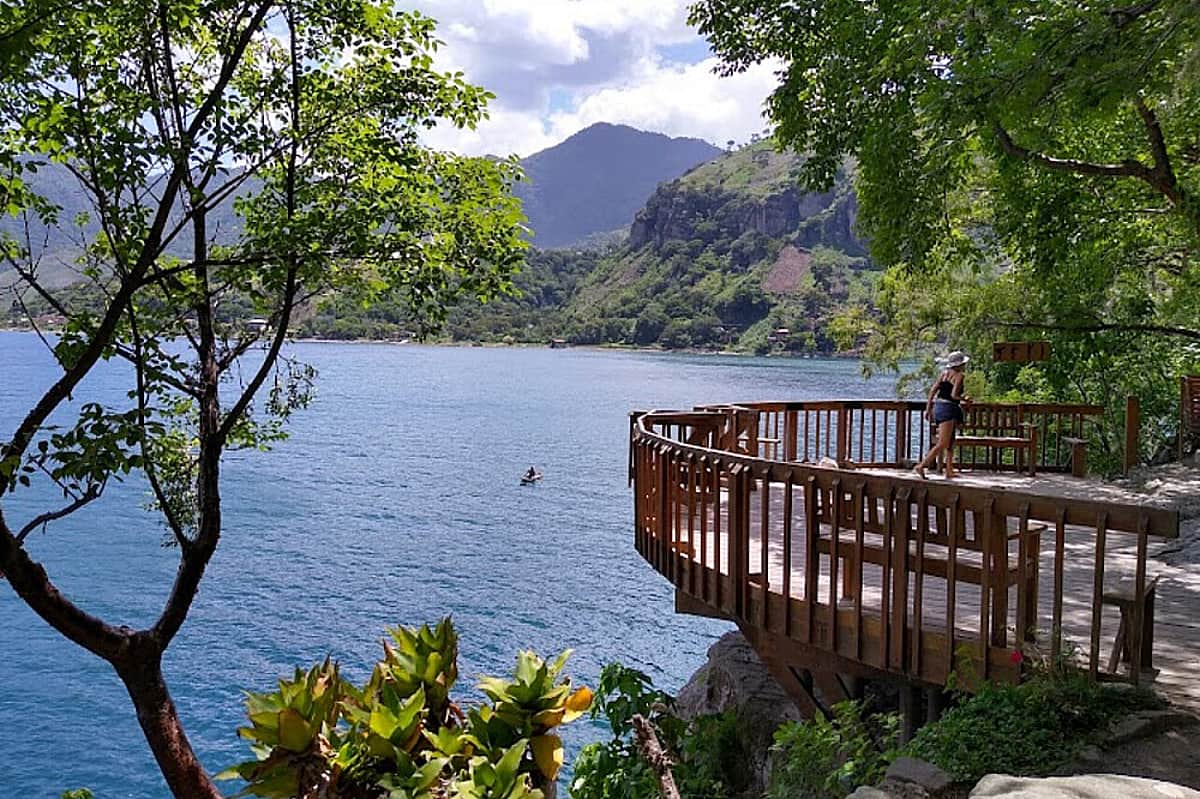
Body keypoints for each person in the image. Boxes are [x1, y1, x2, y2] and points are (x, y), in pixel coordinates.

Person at [914, 351, 971, 479]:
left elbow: (933, 390)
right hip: (948, 408)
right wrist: (965, 398)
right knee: (943, 442)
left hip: (938, 407)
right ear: (960, 364)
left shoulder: (943, 374)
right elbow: (954, 395)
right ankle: (922, 465)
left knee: (951, 441)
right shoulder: (959, 376)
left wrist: (928, 408)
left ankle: (949, 470)